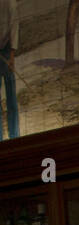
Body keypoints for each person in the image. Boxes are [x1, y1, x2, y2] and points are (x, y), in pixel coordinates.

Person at [0, 0, 18, 140]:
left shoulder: (10, 2)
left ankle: (15, 136)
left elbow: (14, 27)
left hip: (6, 49)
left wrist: (11, 56)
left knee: (11, 95)